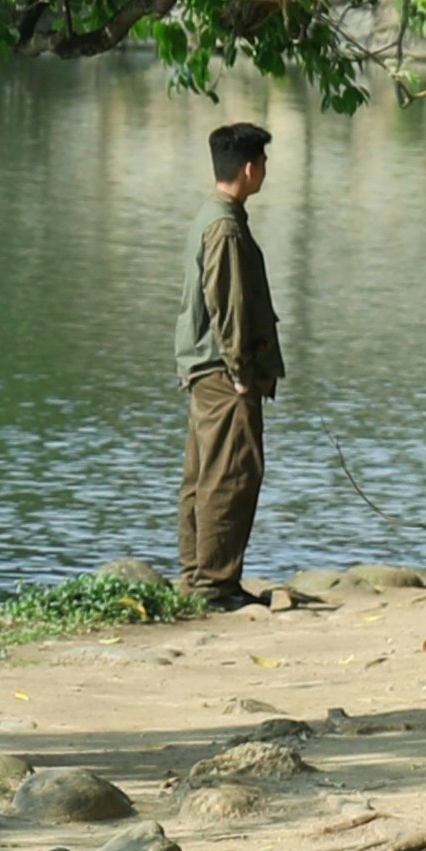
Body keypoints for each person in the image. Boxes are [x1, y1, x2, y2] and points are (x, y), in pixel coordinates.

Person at [177, 118, 282, 607]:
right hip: (224, 373)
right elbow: (228, 304)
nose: (264, 170)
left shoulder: (213, 216)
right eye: (262, 161)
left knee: (204, 475)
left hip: (208, 369)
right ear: (247, 167)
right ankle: (214, 585)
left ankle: (199, 577)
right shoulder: (224, 226)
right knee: (232, 473)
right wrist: (241, 370)